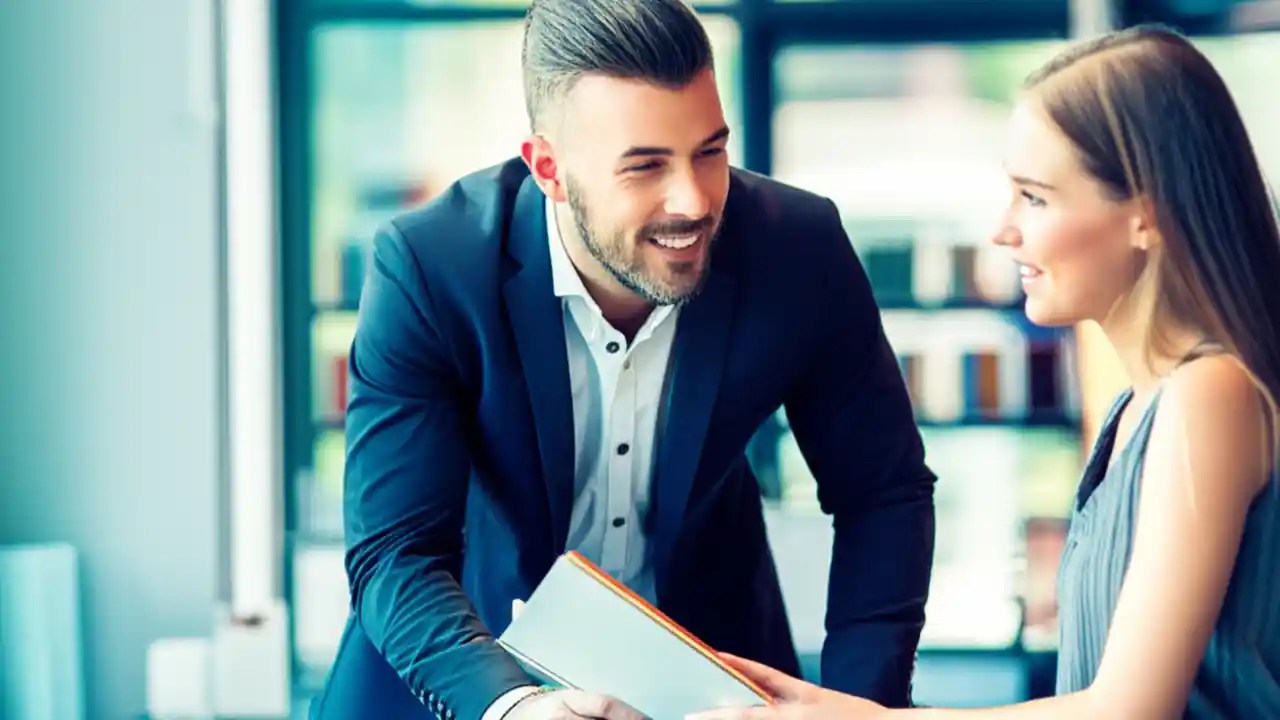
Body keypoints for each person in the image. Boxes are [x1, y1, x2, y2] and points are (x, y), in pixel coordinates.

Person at [309, 1, 938, 719]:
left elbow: (882, 492)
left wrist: (859, 708)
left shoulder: (797, 247)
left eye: (711, 151)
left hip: (709, 684)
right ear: (548, 168)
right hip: (467, 678)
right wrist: (512, 706)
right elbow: (397, 550)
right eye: (645, 167)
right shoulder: (430, 266)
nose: (694, 200)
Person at [688, 24, 1280, 720]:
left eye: (1035, 197)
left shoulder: (1208, 393)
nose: (1003, 229)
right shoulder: (1136, 409)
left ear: (1142, 217)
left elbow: (1127, 709)